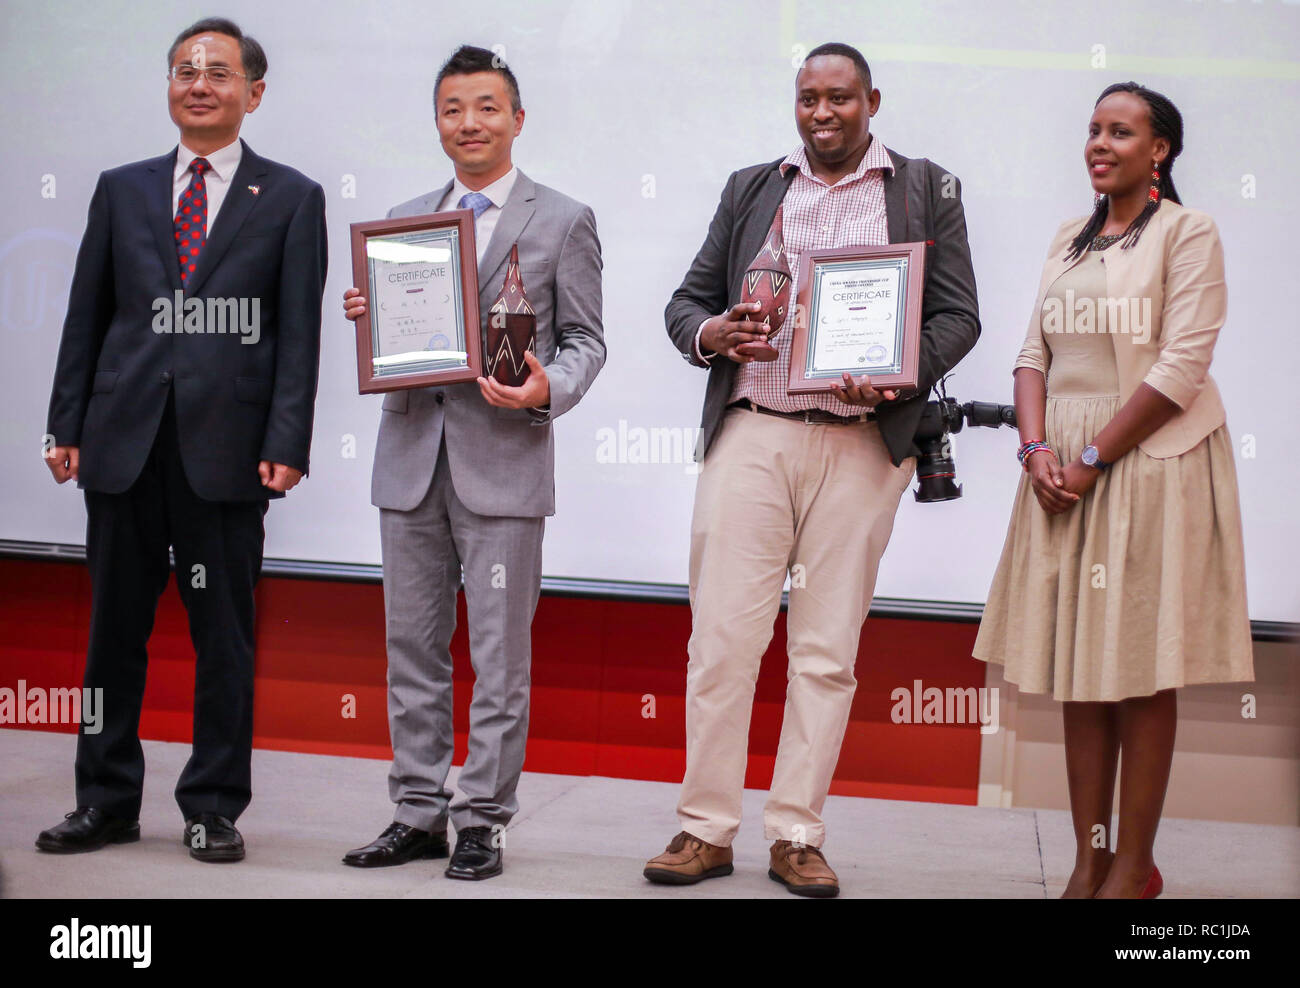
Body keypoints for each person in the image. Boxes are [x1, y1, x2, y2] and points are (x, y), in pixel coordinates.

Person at [646, 42, 980, 897]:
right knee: (722, 642)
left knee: (826, 652)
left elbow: (958, 316)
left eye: (838, 98)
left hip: (863, 445)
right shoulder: (754, 187)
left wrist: (901, 368)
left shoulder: (924, 187)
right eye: (807, 100)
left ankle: (796, 832)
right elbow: (685, 303)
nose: (822, 114)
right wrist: (711, 332)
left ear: (872, 100)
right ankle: (704, 829)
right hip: (753, 433)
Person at [37, 18, 327, 862]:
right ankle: (104, 801)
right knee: (110, 636)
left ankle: (212, 805)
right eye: (184, 71)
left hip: (228, 451)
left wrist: (290, 440)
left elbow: (298, 336)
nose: (199, 84)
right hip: (121, 442)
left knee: (224, 640)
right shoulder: (120, 188)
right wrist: (66, 424)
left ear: (253, 93)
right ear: (169, 86)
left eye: (218, 73)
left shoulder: (291, 196)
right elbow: (86, 315)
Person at [972, 82, 1254, 899]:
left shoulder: (1188, 233)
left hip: (1149, 460)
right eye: (1093, 130)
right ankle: (1088, 859)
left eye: (1120, 132)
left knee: (1137, 667)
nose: (1099, 143)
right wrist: (1035, 450)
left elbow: (1180, 365)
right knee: (1078, 667)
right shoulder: (1070, 237)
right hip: (1060, 466)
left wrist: (1094, 454)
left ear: (1159, 149)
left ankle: (1135, 866)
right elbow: (1032, 354)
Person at [341, 45, 604, 880]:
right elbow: (404, 338)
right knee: (411, 648)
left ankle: (482, 818)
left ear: (517, 121)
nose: (470, 123)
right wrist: (372, 315)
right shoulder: (405, 219)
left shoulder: (563, 218)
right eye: (454, 109)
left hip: (505, 464)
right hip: (412, 459)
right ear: (438, 123)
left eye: (487, 107)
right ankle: (417, 812)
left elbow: (586, 342)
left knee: (499, 655)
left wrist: (543, 391)